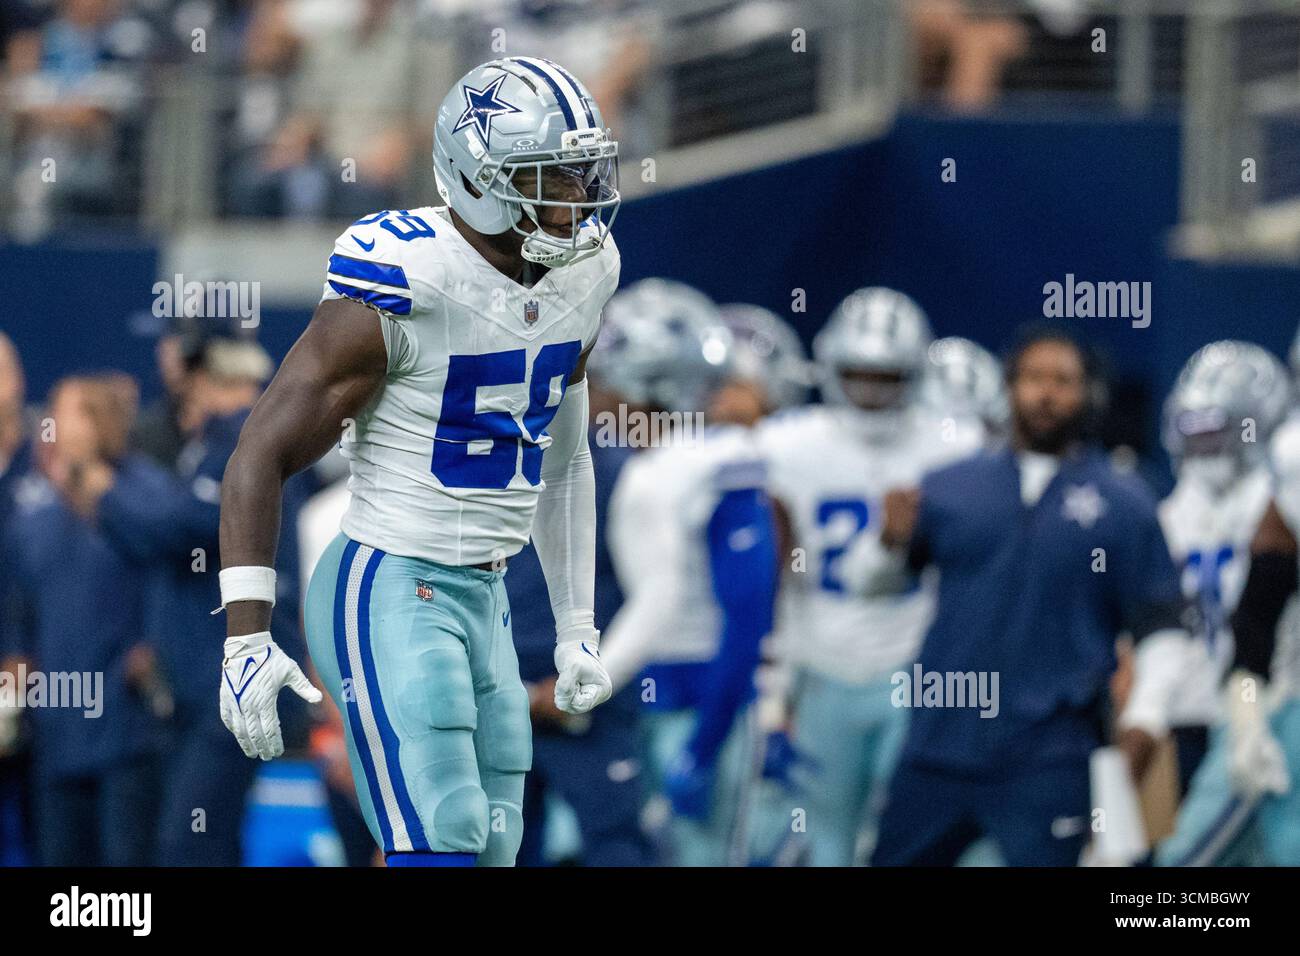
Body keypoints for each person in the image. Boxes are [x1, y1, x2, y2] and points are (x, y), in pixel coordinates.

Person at [216, 57, 622, 867]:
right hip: (390, 581)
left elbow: (564, 460)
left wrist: (577, 625)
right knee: (442, 833)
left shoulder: (587, 272)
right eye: (551, 177)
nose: (578, 198)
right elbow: (260, 449)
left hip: (487, 591)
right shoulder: (405, 276)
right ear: (481, 181)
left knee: (495, 845)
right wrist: (246, 637)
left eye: (583, 174)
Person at [867, 324, 1191, 866]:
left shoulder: (1125, 503)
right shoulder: (949, 485)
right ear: (1009, 386)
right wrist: (886, 545)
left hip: (1049, 753)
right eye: (1034, 377)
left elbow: (1161, 623)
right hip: (938, 741)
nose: (1046, 393)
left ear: (1089, 393)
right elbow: (877, 588)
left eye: (1063, 380)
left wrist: (1146, 720)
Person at [753, 289, 984, 866]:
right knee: (824, 840)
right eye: (858, 375)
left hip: (916, 665)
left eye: (886, 376)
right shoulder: (785, 444)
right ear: (830, 367)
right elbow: (766, 572)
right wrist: (772, 681)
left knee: (911, 834)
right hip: (821, 666)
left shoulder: (954, 444)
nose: (871, 392)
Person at [85, 327, 308, 865]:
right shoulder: (211, 442)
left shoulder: (244, 435)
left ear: (212, 375)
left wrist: (103, 489)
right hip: (204, 683)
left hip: (231, 681)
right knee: (212, 839)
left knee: (189, 846)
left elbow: (185, 525)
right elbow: (164, 530)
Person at [595, 279, 779, 866]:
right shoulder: (628, 466)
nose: (592, 394)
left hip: (704, 701)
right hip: (631, 705)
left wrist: (705, 743)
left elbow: (747, 617)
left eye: (604, 379)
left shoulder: (714, 464)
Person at [5, 374, 163, 865]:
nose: (50, 424)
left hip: (128, 736)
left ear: (100, 423)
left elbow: (178, 577)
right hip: (56, 739)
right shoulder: (31, 520)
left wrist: (156, 652)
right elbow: (18, 618)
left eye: (68, 412)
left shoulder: (146, 498)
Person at [1158, 338, 1300, 866]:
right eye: (1192, 433)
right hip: (1204, 712)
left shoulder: (1272, 483)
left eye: (1217, 431)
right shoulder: (1173, 515)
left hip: (1263, 705)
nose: (1204, 449)